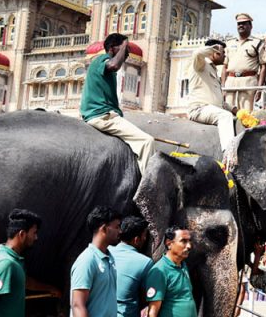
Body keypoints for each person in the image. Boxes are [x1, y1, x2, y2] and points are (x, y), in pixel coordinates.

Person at [80, 33, 155, 174]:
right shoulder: (102, 59)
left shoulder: (102, 66)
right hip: (103, 116)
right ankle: (149, 191)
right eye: (125, 51)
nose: (126, 55)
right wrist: (125, 44)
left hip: (100, 114)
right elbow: (114, 65)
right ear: (113, 49)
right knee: (147, 141)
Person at [0, 209, 57, 317]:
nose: (36, 237)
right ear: (22, 234)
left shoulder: (15, 261)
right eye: (34, 233)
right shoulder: (5, 264)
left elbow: (27, 282)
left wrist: (50, 288)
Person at [187, 38, 237, 152]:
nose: (225, 56)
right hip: (200, 109)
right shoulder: (201, 64)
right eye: (222, 53)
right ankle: (229, 154)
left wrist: (235, 109)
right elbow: (197, 53)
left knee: (232, 118)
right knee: (225, 116)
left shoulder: (213, 70)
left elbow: (217, 101)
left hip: (212, 109)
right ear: (214, 53)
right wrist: (212, 49)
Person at [71, 206, 122, 317]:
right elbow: (77, 305)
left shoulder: (110, 258)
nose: (120, 231)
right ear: (104, 229)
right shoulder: (87, 260)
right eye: (117, 227)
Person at [145, 226, 196, 317]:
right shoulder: (160, 271)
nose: (189, 246)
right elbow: (152, 312)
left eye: (189, 241)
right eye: (183, 241)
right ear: (169, 243)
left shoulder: (183, 266)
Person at [223, 13, 266, 111]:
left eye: (244, 23)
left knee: (246, 114)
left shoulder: (257, 43)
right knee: (228, 112)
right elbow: (224, 66)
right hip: (231, 81)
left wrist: (259, 88)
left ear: (250, 26)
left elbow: (263, 66)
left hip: (248, 81)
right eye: (239, 24)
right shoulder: (229, 43)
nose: (241, 26)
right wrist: (223, 86)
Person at [109, 216, 154, 317]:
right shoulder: (145, 262)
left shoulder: (106, 251)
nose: (145, 239)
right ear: (136, 240)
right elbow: (147, 297)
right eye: (144, 236)